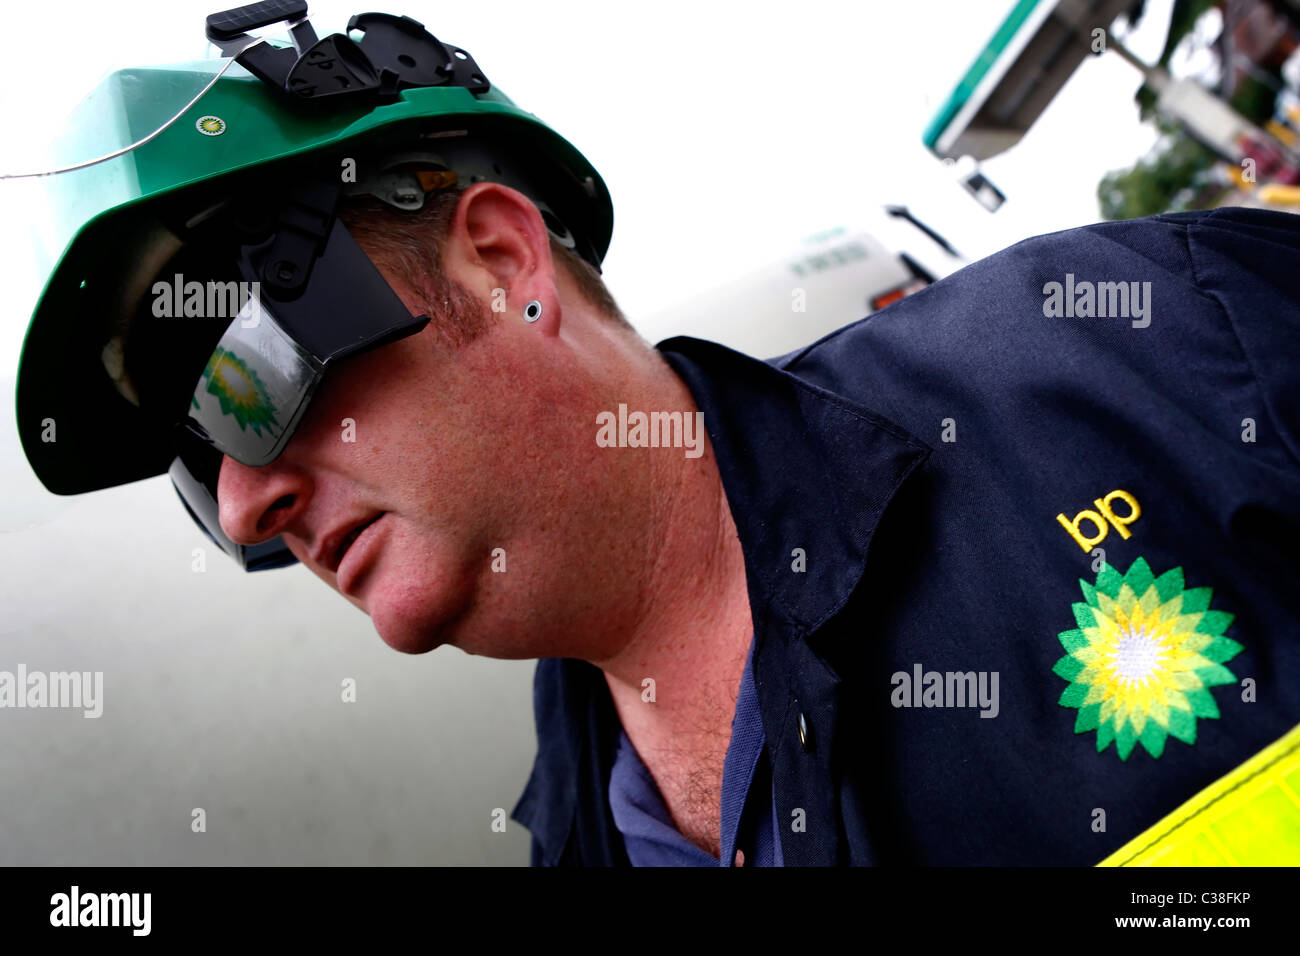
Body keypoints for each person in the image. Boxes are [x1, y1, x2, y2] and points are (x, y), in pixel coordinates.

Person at [15, 4, 1300, 866]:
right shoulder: (579, 838)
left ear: (500, 260)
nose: (243, 506)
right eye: (196, 471)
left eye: (244, 374)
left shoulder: (1159, 361)